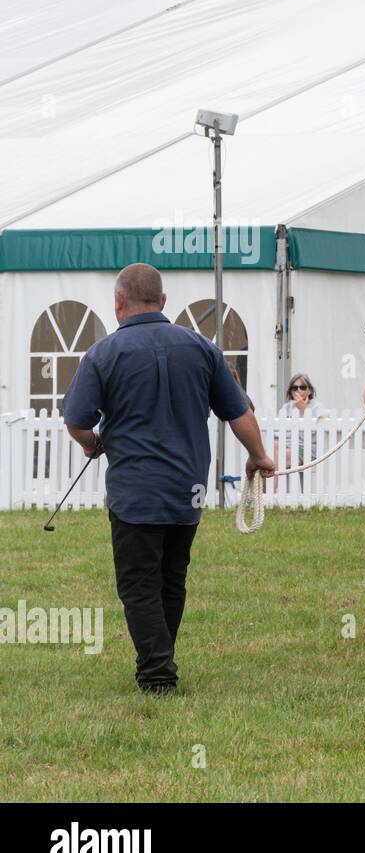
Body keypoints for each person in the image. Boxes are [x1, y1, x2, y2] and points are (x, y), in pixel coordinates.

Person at [62, 263, 275, 695]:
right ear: (163, 301)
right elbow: (239, 412)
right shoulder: (201, 348)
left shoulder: (103, 354)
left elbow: (76, 419)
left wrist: (90, 444)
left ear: (118, 303)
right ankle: (161, 659)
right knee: (171, 578)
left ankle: (157, 675)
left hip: (135, 492)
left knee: (139, 584)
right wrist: (258, 457)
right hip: (188, 488)